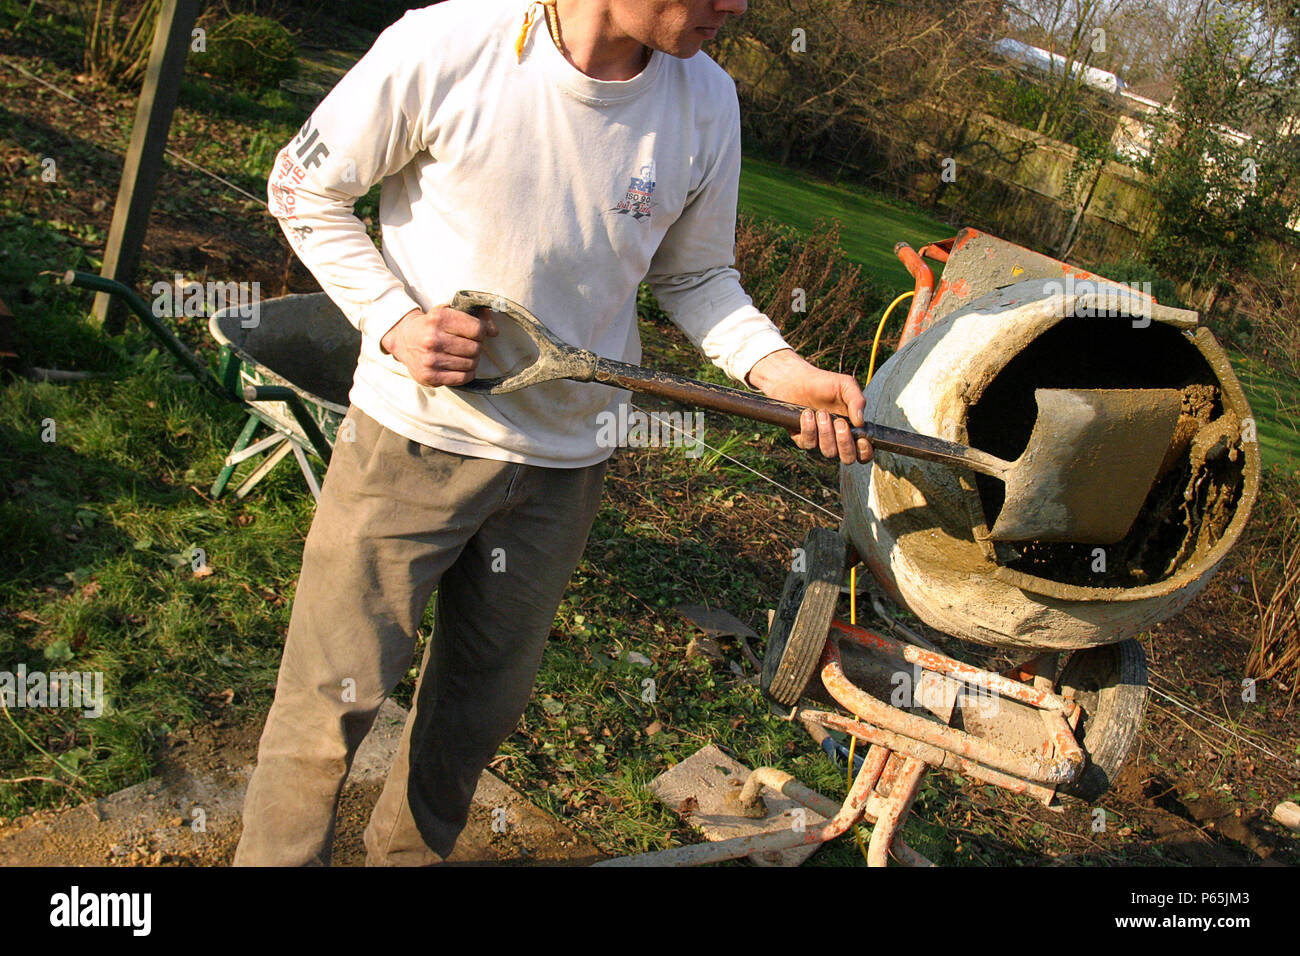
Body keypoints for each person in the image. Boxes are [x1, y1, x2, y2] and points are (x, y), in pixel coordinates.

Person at [233, 0, 873, 866]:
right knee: (325, 706)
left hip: (563, 469)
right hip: (409, 442)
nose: (739, 9)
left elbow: (699, 277)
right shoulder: (449, 43)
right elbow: (301, 185)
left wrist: (784, 370)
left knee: (469, 722)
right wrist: (393, 321)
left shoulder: (706, 100)